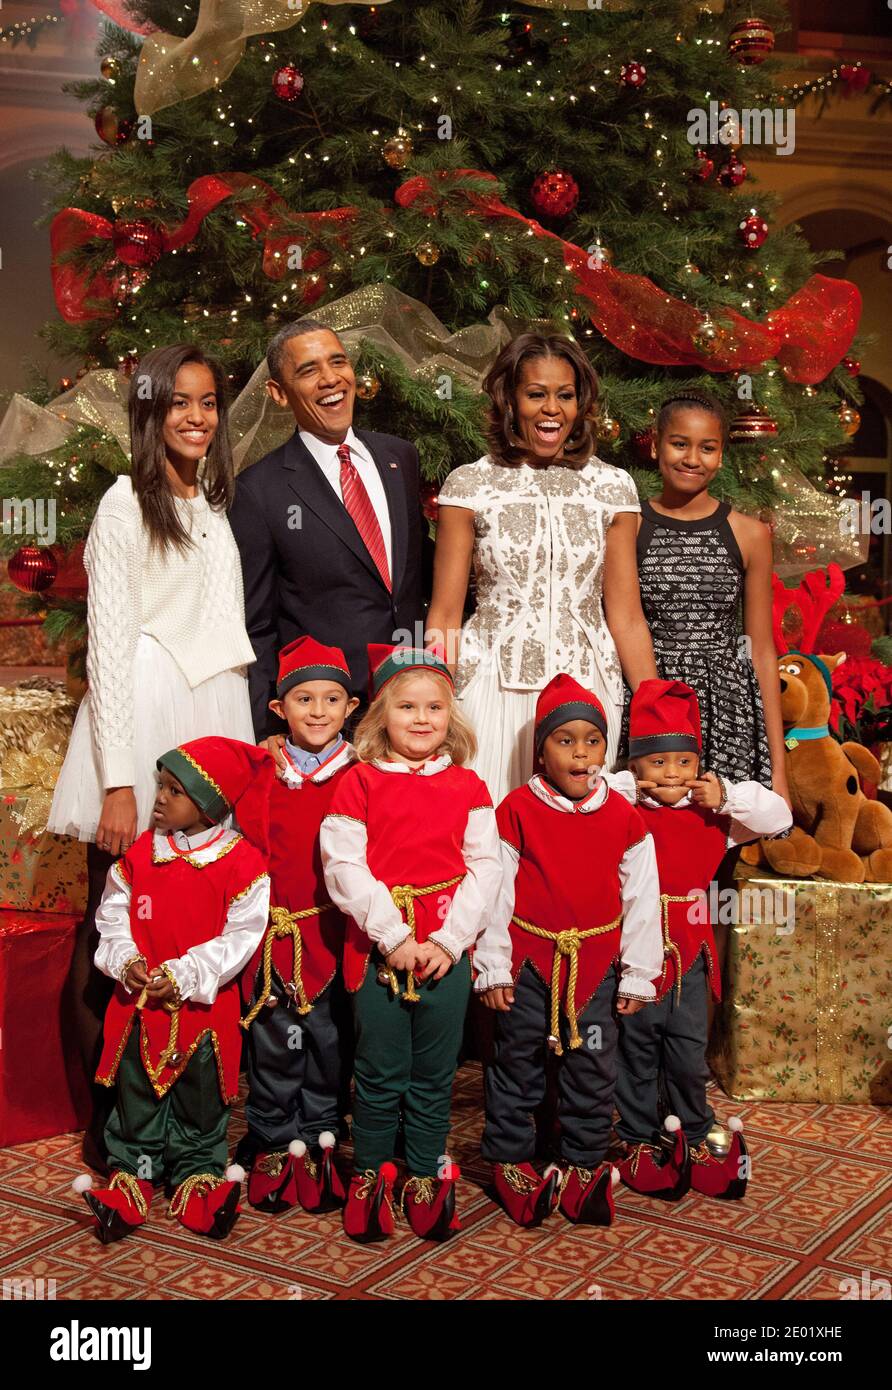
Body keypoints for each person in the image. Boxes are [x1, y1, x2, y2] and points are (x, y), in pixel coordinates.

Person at [48, 345, 257, 1166]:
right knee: (118, 926)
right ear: (149, 411)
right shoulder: (123, 504)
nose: (197, 417)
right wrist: (120, 782)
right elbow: (106, 650)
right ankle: (108, 1127)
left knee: (193, 917)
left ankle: (178, 1119)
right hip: (143, 716)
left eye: (208, 403)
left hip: (211, 711)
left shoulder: (209, 497)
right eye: (178, 403)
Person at [319, 644, 503, 1242]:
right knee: (378, 1068)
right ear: (379, 716)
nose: (422, 719)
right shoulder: (358, 783)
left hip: (447, 947)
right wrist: (394, 936)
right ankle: (371, 1173)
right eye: (407, 707)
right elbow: (344, 866)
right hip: (378, 947)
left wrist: (449, 942)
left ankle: (423, 1170)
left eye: (434, 708)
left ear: (452, 716)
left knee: (434, 1070)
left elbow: (486, 868)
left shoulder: (469, 785)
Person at [426, 332, 657, 803]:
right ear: (511, 400)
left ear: (580, 404)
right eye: (536, 394)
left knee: (579, 842)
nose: (552, 409)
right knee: (485, 834)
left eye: (565, 395)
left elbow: (628, 616)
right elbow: (446, 614)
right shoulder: (470, 485)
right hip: (490, 687)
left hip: (587, 690)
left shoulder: (613, 487)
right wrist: (434, 703)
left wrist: (658, 708)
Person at [473, 673, 663, 1228]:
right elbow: (495, 894)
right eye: (565, 740)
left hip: (597, 968)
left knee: (592, 1067)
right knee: (517, 1064)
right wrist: (493, 967)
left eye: (593, 740)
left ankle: (582, 1163)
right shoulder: (515, 810)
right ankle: (510, 1159)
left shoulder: (627, 818)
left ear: (607, 747)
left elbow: (643, 899)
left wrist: (638, 974)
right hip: (530, 963)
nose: (581, 753)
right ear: (541, 751)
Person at [72, 738, 273, 1243]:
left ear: (209, 805)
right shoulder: (143, 854)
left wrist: (184, 974)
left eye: (174, 791)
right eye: (160, 785)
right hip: (140, 1007)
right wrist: (127, 959)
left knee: (201, 1099)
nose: (158, 798)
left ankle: (197, 1177)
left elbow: (242, 935)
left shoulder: (242, 863)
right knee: (136, 1093)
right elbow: (113, 913)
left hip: (203, 1011)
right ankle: (134, 1173)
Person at [607, 680, 791, 1200]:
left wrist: (727, 794)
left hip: (688, 951)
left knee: (686, 1048)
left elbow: (780, 816)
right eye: (658, 763)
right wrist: (627, 787)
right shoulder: (625, 810)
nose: (672, 774)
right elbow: (587, 790)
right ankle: (639, 1135)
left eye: (683, 763)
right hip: (635, 949)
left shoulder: (715, 817)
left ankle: (693, 1126)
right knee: (636, 1047)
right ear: (636, 768)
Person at [229, 320, 425, 740]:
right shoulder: (259, 490)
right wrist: (267, 728)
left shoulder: (400, 458)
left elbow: (416, 577)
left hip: (411, 704)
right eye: (308, 370)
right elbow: (256, 626)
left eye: (338, 362)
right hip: (326, 720)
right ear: (279, 393)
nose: (331, 378)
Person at [237, 636, 359, 1215]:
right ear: (278, 707)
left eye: (331, 699)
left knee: (329, 1036)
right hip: (272, 932)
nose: (317, 711)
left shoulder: (362, 775)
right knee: (273, 1034)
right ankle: (269, 1130)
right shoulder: (260, 769)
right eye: (302, 698)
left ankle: (319, 1134)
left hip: (331, 932)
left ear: (351, 708)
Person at [630, 389, 789, 800]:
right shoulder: (629, 527)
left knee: (718, 838)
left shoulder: (749, 534)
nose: (691, 459)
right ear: (655, 445)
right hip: (651, 691)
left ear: (721, 456)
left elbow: (760, 650)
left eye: (707, 448)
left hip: (728, 705)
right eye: (679, 443)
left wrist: (779, 774)